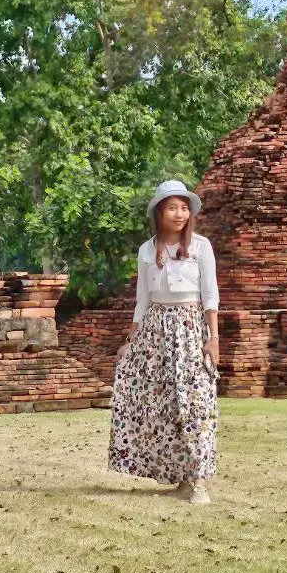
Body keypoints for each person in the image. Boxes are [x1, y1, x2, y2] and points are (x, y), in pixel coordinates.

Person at [107, 179, 220, 504]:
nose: (179, 214)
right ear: (159, 212)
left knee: (196, 403)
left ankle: (199, 481)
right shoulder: (147, 250)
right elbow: (142, 299)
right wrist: (131, 339)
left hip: (190, 329)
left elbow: (210, 295)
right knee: (164, 404)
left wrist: (213, 338)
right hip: (155, 331)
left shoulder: (201, 247)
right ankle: (180, 476)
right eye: (172, 207)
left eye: (184, 208)